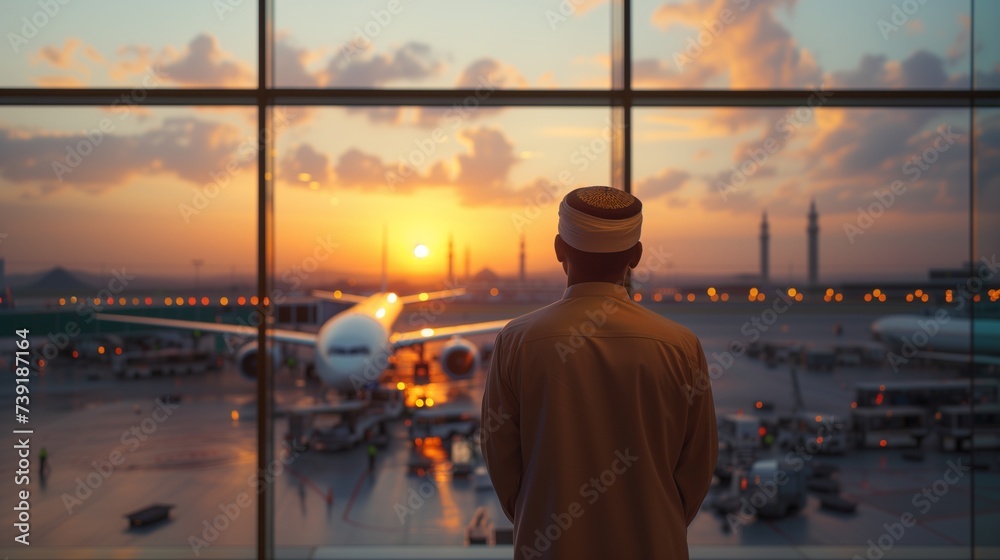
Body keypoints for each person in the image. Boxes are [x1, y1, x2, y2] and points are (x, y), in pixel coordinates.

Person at [481, 186, 718, 560]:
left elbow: (501, 459)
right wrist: (657, 522)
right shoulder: (681, 347)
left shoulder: (517, 341)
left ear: (559, 248)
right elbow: (697, 467)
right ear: (637, 256)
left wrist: (539, 516)